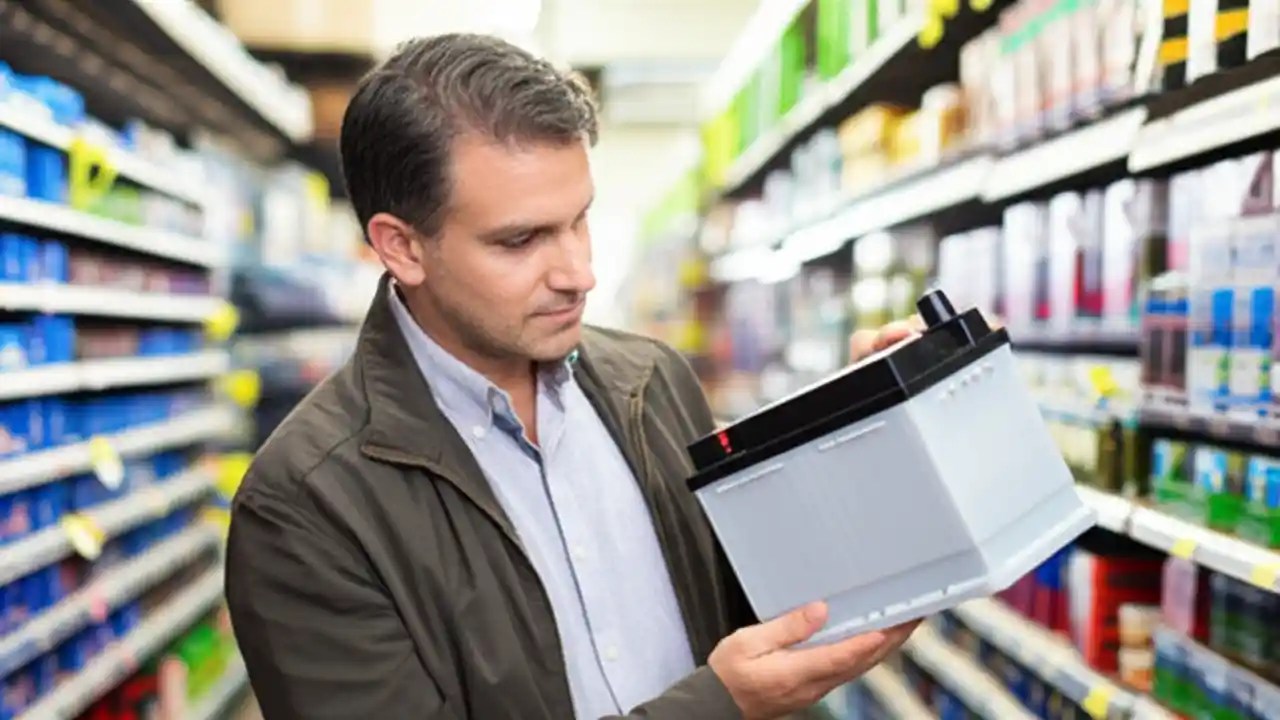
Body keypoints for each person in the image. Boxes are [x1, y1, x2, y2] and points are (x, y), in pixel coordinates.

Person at [224, 33, 923, 720]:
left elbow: (764, 602)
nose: (579, 275)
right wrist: (717, 707)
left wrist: (861, 436)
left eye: (580, 221)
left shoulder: (651, 382)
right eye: (521, 240)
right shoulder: (305, 505)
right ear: (401, 247)